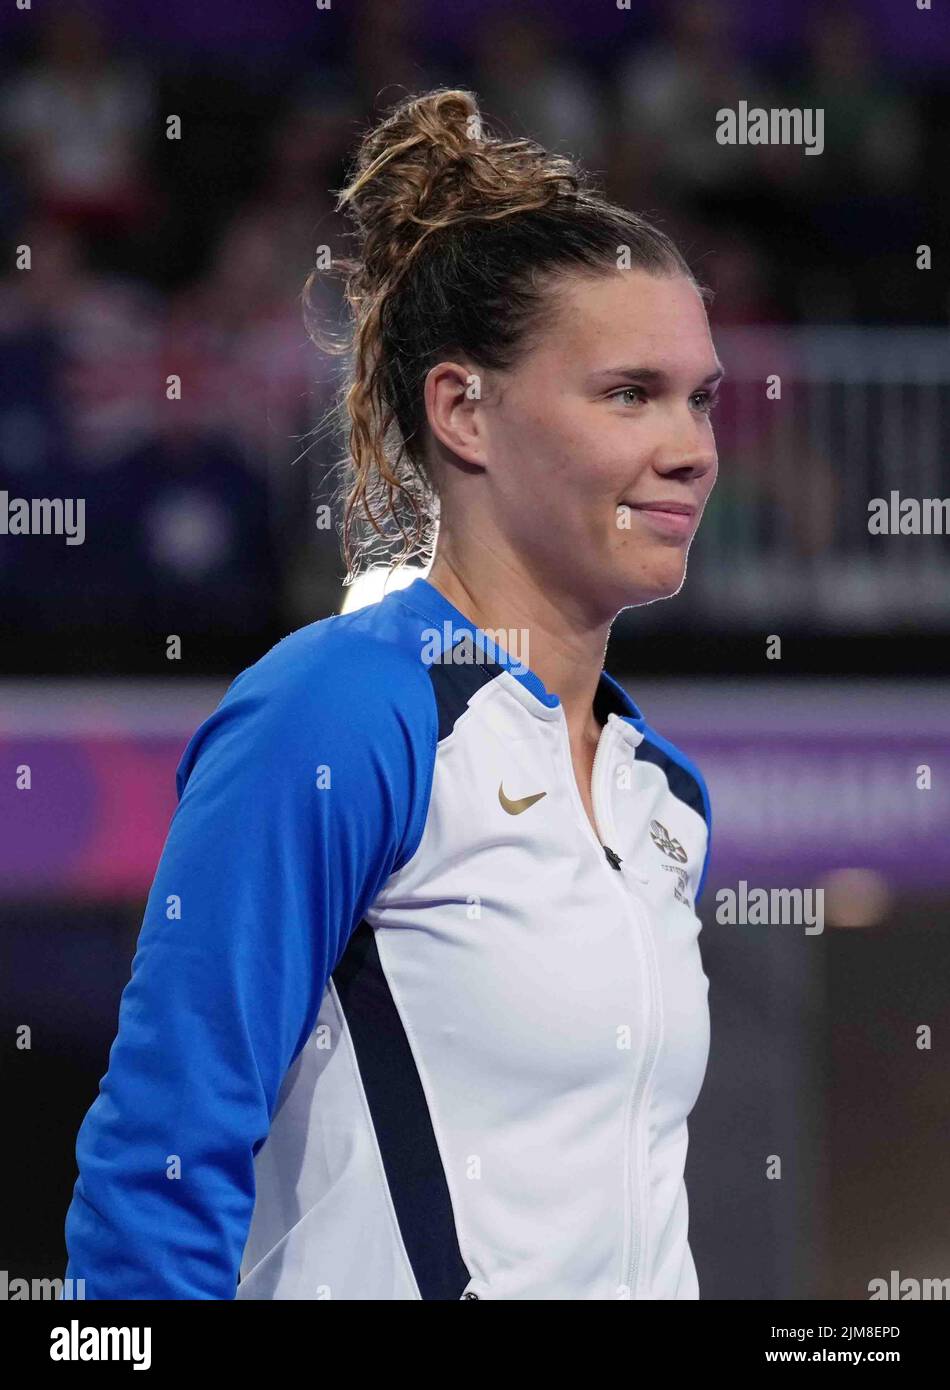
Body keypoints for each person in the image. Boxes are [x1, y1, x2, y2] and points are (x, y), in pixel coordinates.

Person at [63, 87, 721, 1300]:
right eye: (630, 393)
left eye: (700, 397)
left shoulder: (662, 796)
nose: (690, 446)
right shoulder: (345, 713)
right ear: (463, 410)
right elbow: (160, 1161)